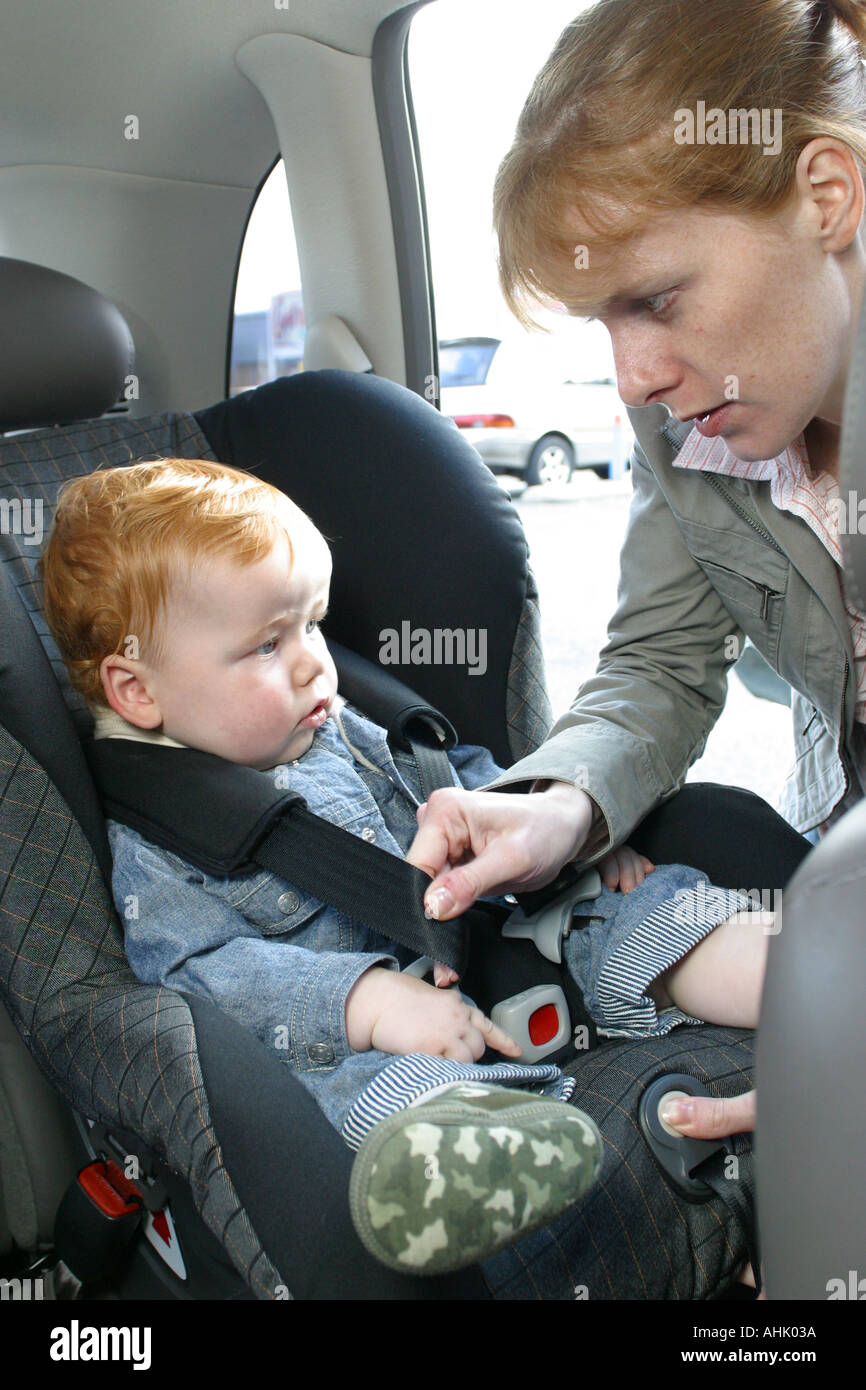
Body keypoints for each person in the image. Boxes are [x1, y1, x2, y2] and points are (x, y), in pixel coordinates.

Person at [41, 456, 767, 1276]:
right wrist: (363, 1003)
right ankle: (475, 1167)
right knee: (344, 1102)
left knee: (637, 912)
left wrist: (561, 833)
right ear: (138, 693)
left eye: (312, 624)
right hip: (371, 1046)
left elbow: (453, 777)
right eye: (268, 644)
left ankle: (794, 984)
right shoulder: (158, 845)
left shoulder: (338, 724)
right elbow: (205, 978)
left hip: (500, 941)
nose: (317, 661)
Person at [407, 0, 866, 1145]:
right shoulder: (689, 433)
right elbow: (659, 659)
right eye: (600, 323)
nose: (632, 379)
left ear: (825, 194)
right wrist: (557, 805)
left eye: (655, 300)